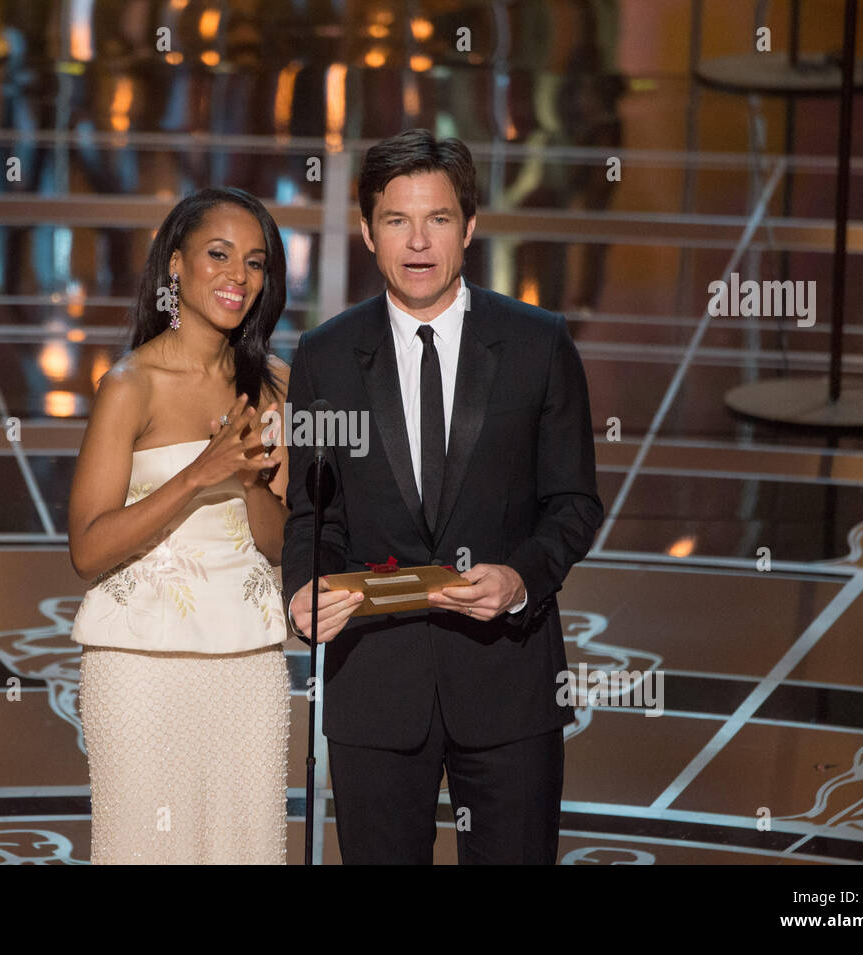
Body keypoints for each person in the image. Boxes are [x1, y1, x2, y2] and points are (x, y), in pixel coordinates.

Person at [281, 129, 603, 865]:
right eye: (397, 220)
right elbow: (313, 512)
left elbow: (573, 502)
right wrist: (304, 589)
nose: (418, 242)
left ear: (470, 226)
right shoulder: (326, 357)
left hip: (509, 683)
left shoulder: (539, 343)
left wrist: (521, 577)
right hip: (376, 689)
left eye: (439, 219)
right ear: (367, 231)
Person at [68, 187, 292, 864]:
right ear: (174, 263)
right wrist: (198, 474)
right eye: (218, 255)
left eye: (254, 262)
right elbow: (87, 547)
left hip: (250, 665)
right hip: (139, 666)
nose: (237, 277)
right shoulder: (130, 385)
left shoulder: (274, 385)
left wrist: (250, 481)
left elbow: (279, 543)